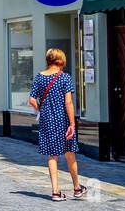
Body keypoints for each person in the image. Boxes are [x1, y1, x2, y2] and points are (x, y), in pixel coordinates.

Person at [28, 48, 87, 201]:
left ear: (48, 60)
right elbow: (68, 102)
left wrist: (42, 109)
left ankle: (55, 191)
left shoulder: (39, 77)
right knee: (70, 154)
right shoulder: (65, 78)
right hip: (63, 120)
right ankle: (77, 188)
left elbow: (32, 100)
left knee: (52, 156)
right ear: (61, 60)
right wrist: (72, 123)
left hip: (47, 121)